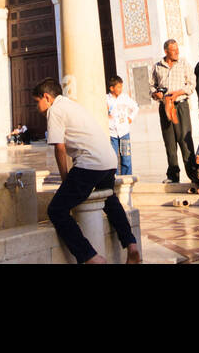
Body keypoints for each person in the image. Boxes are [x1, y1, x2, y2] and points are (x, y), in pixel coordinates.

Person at [34, 78, 141, 265]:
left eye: (37, 102)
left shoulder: (55, 110)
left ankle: (91, 257)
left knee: (57, 210)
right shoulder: (71, 105)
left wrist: (65, 179)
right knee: (109, 199)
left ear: (46, 97)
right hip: (108, 161)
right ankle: (131, 245)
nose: (37, 107)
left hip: (89, 163)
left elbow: (59, 148)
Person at [150, 39, 197, 184]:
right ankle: (173, 175)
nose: (177, 52)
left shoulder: (184, 64)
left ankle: (193, 174)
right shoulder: (157, 67)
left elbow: (191, 84)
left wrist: (178, 93)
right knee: (169, 142)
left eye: (177, 49)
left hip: (180, 106)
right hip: (165, 107)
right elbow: (152, 86)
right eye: (174, 50)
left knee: (184, 140)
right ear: (166, 52)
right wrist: (156, 94)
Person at [106, 75, 138, 176]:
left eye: (121, 87)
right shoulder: (106, 99)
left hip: (124, 132)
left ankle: (127, 178)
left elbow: (135, 107)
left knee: (126, 157)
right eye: (118, 87)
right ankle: (113, 178)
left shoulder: (124, 98)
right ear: (111, 88)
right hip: (112, 134)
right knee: (113, 158)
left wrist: (130, 118)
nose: (120, 89)